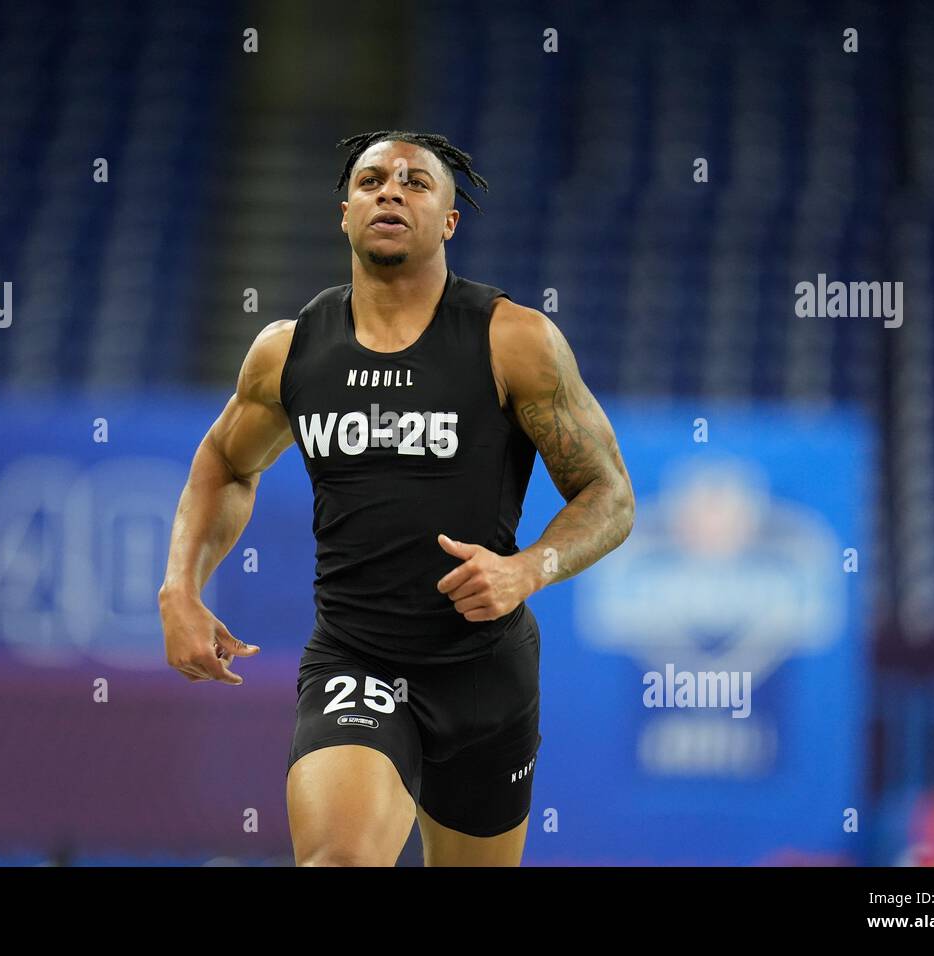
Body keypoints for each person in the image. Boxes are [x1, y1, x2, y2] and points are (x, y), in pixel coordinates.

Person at [159, 130, 634, 866]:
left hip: (485, 671)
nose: (391, 190)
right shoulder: (289, 351)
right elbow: (224, 463)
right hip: (357, 660)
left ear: (449, 220)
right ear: (343, 211)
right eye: (373, 179)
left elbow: (609, 495)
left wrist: (527, 569)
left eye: (416, 182)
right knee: (340, 860)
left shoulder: (515, 342)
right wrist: (179, 588)